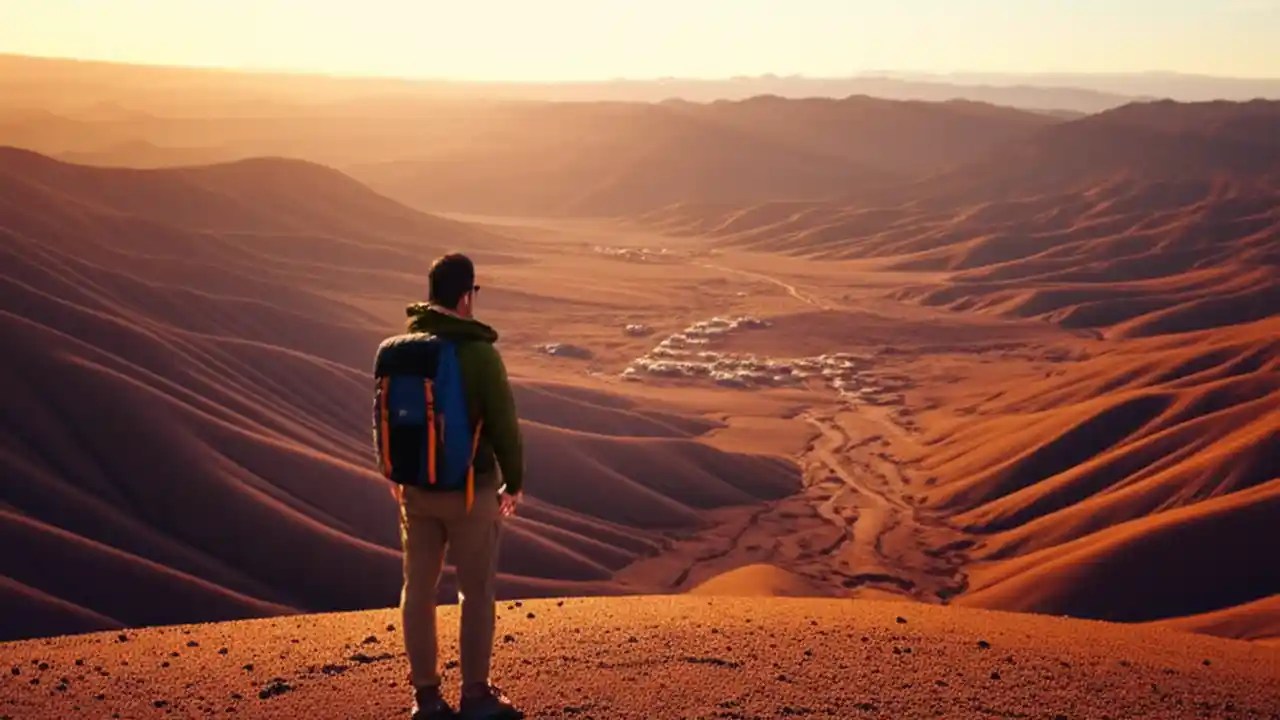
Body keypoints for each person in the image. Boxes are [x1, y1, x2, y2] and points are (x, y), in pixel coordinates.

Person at [397, 253, 524, 720]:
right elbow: (505, 425)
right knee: (475, 591)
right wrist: (515, 481)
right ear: (465, 296)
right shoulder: (479, 354)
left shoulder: (402, 348)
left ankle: (426, 698)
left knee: (418, 589)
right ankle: (475, 695)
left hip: (415, 491)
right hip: (472, 490)